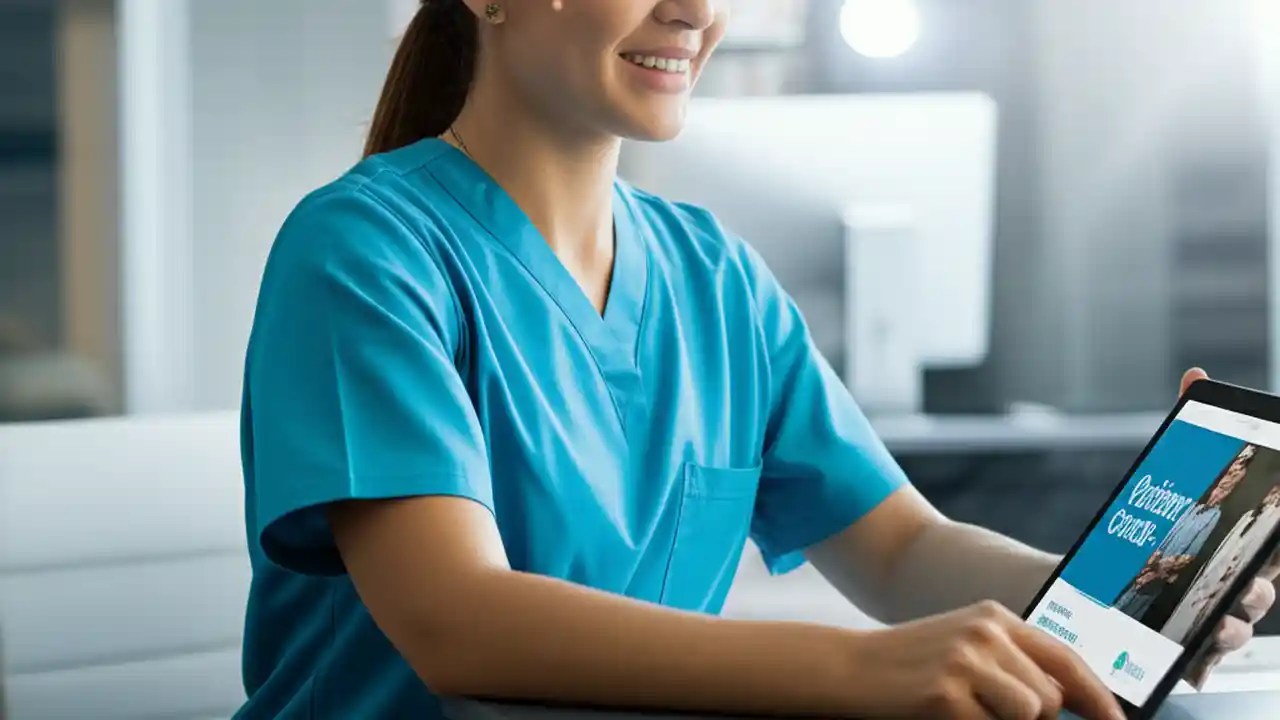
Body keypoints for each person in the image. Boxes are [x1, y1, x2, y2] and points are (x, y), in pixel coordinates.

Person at [234, 2, 1278, 719]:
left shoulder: (711, 274)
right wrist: (862, 670)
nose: (696, 9)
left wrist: (1105, 603)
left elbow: (899, 552)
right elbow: (457, 623)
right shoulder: (363, 250)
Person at [1114, 445, 1256, 622]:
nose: (1224, 484)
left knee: (1135, 607)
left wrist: (1157, 570)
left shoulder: (1214, 516)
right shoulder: (1191, 505)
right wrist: (1150, 560)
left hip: (1158, 577)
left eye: (1230, 482)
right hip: (1144, 565)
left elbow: (1190, 555)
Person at [1162, 484, 1280, 643]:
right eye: (1274, 489)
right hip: (1192, 602)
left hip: (1208, 611)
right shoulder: (1248, 517)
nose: (1272, 493)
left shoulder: (1268, 521)